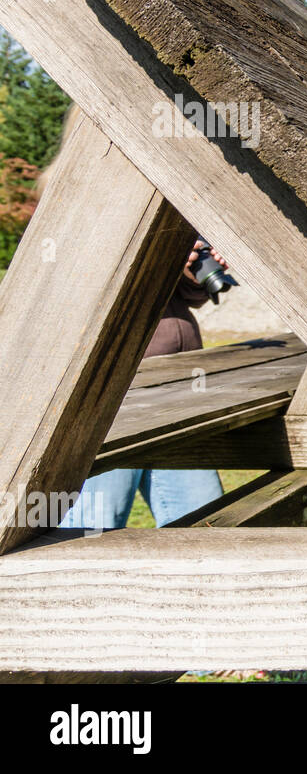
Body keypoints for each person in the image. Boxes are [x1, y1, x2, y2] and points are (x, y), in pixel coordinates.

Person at [37, 107, 227, 528]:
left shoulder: (165, 193)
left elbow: (185, 298)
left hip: (177, 384)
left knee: (203, 522)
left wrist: (191, 266)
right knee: (96, 524)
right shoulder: (71, 201)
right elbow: (69, 293)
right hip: (112, 391)